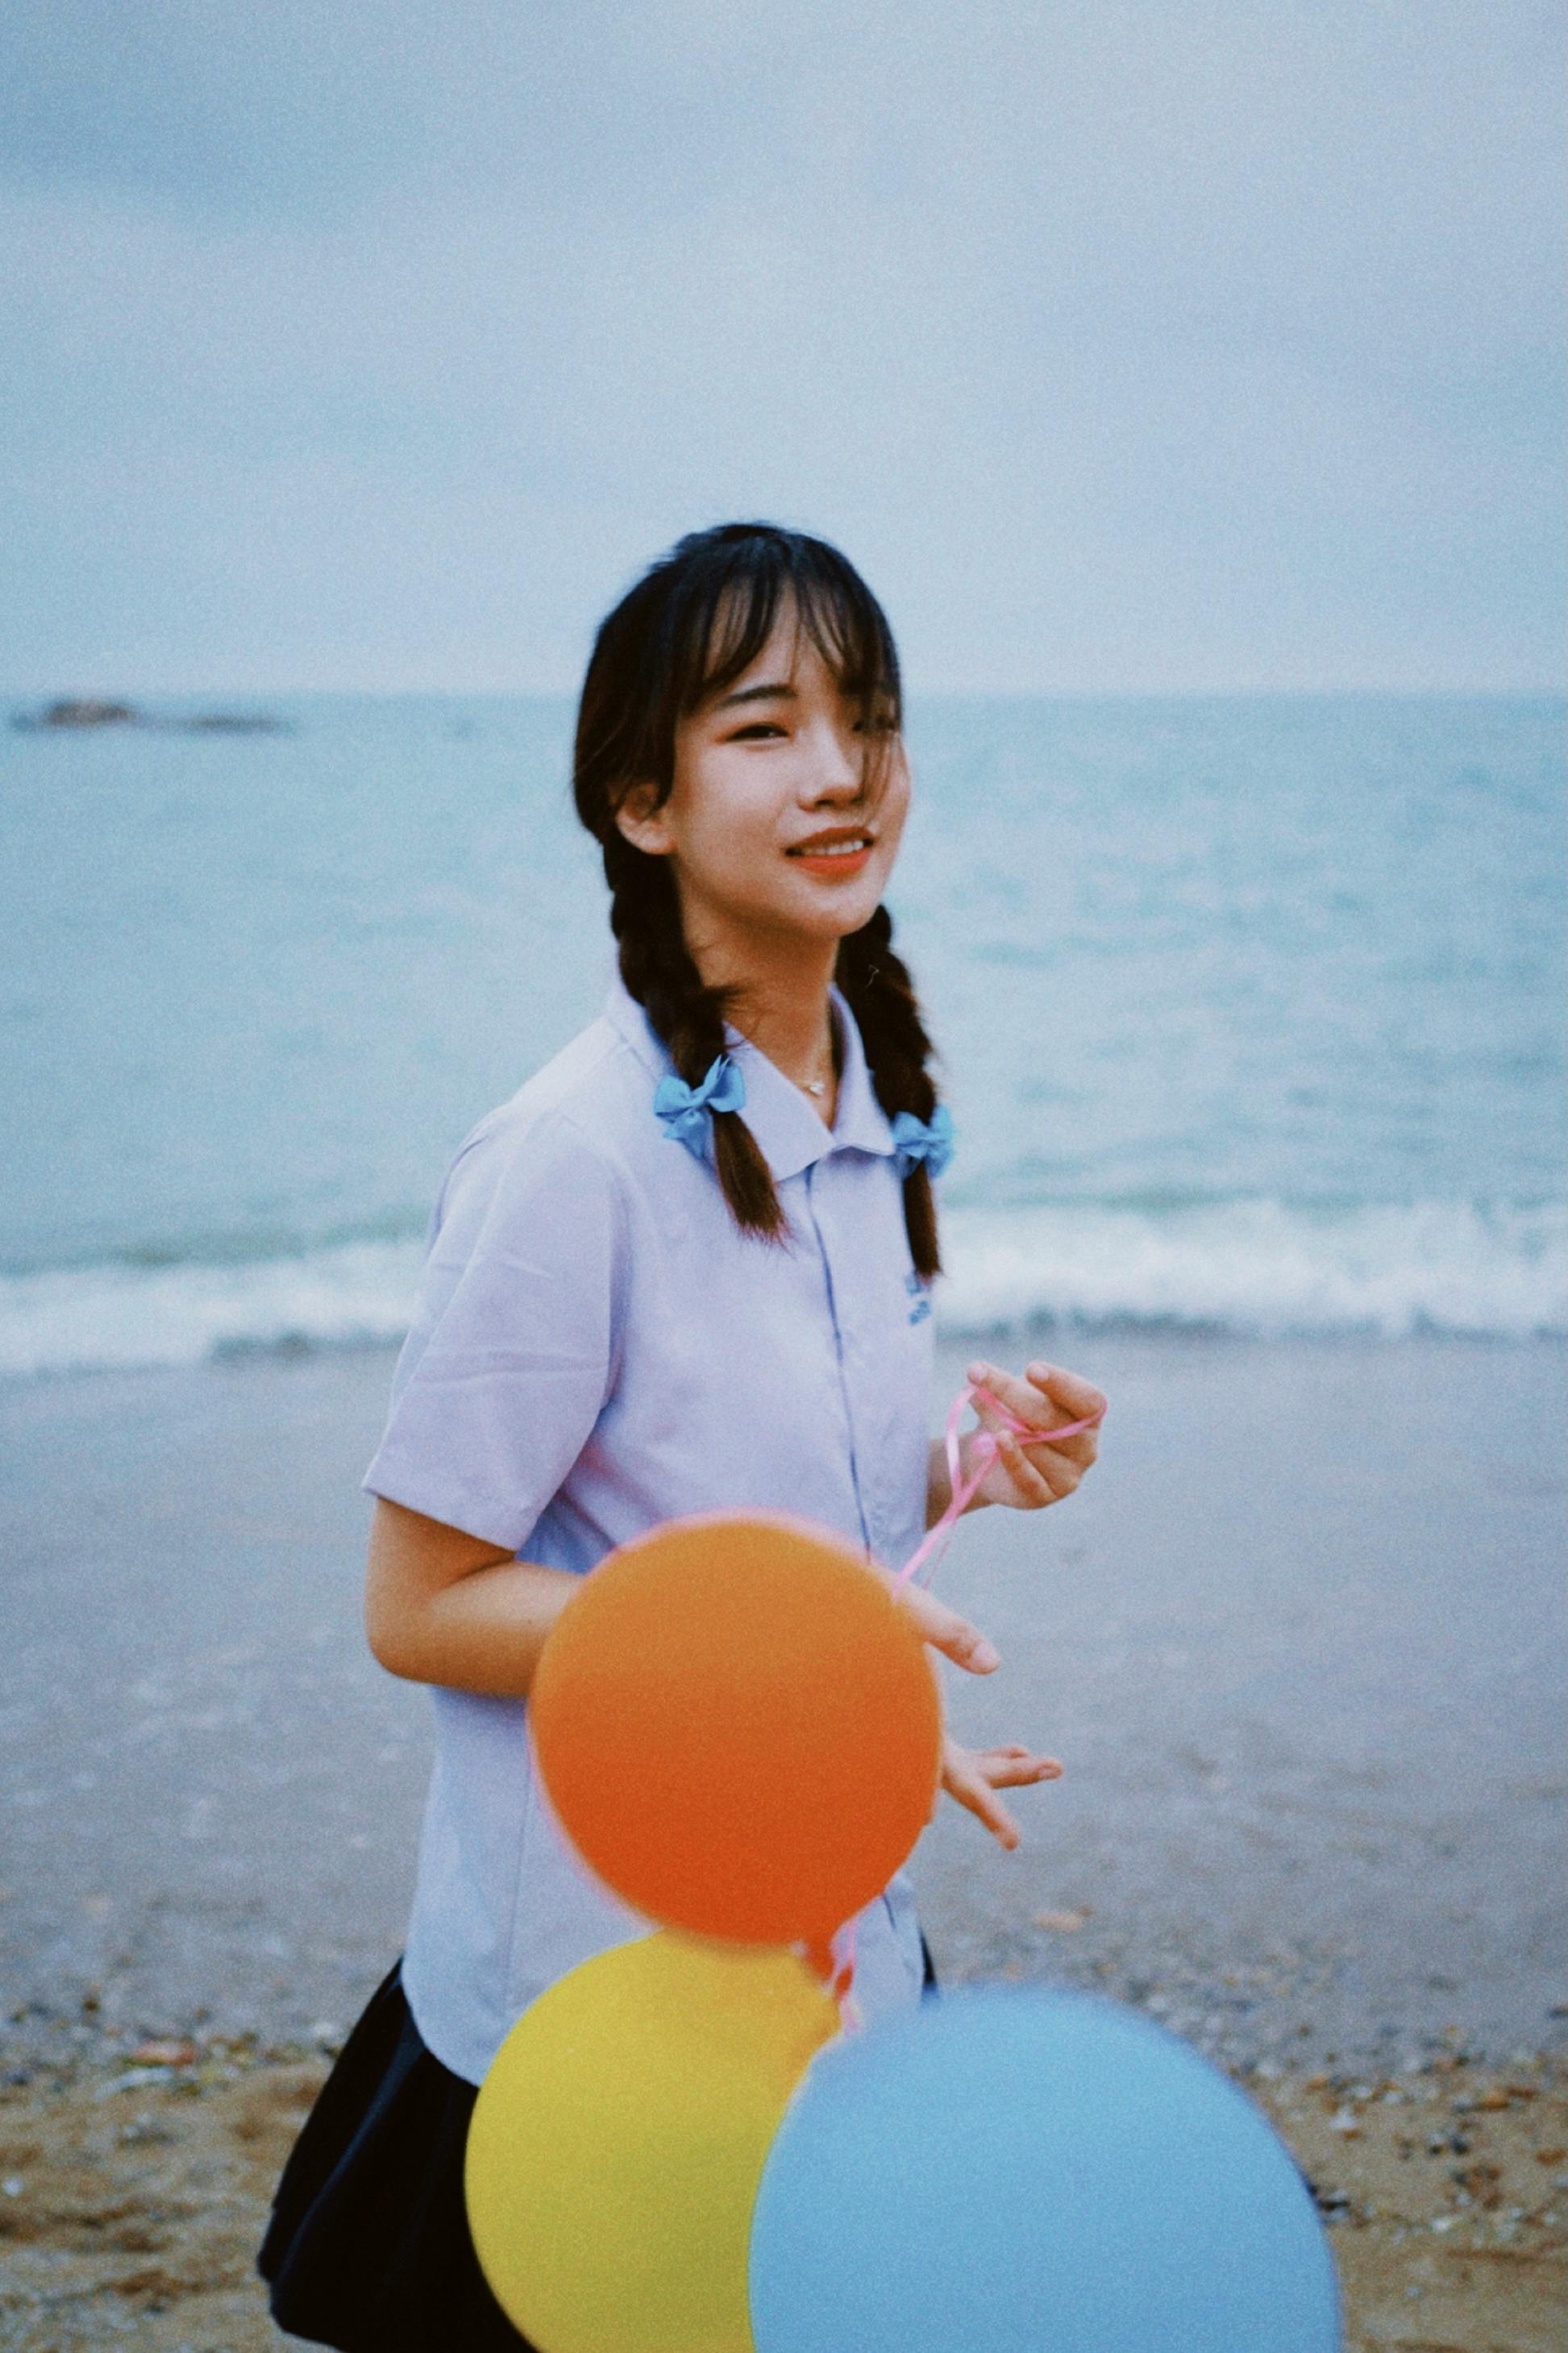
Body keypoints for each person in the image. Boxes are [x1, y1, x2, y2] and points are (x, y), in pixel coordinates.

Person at [260, 523, 1105, 2349]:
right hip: (599, 1977)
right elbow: (417, 1605)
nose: (838, 772)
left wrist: (974, 1458)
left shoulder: (863, 1100)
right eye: (761, 727)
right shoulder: (569, 1154)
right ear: (640, 800)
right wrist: (778, 1623)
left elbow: (778, 1492)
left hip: (836, 1926)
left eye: (867, 718)